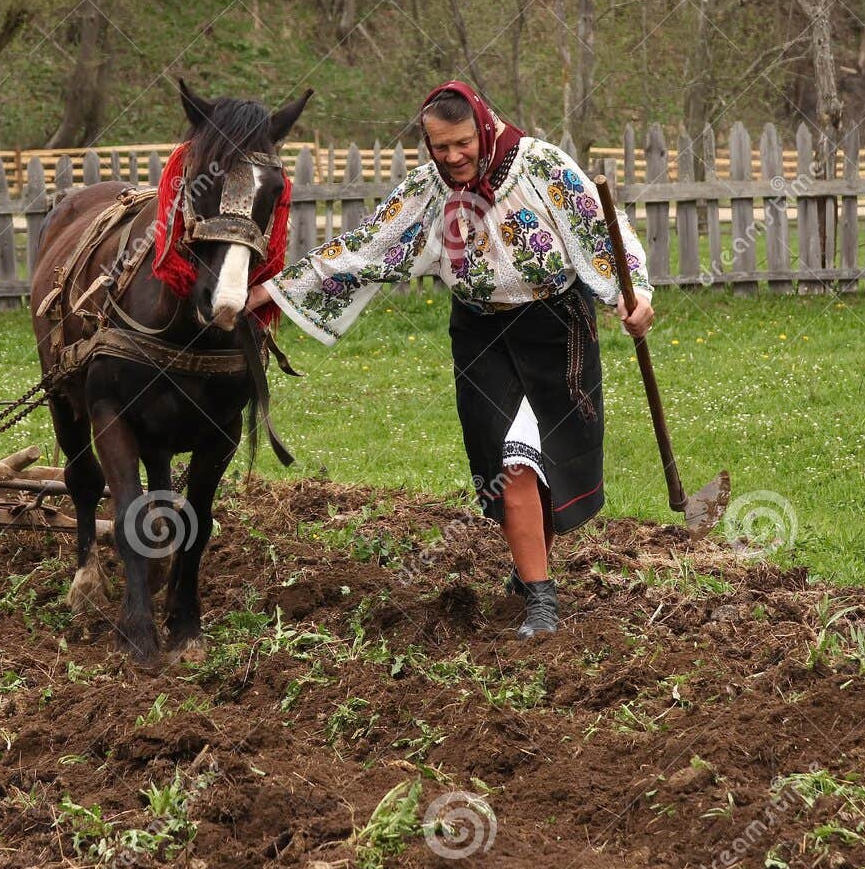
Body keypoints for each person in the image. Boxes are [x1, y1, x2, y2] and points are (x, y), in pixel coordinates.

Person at [248, 81, 654, 638]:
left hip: (554, 329)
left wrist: (635, 297)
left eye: (462, 143)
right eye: (440, 147)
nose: (453, 156)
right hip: (480, 336)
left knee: (546, 462)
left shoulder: (540, 165)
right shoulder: (428, 190)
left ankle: (529, 574)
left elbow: (599, 228)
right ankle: (540, 596)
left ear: (482, 128)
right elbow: (368, 245)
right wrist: (273, 292)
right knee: (511, 460)